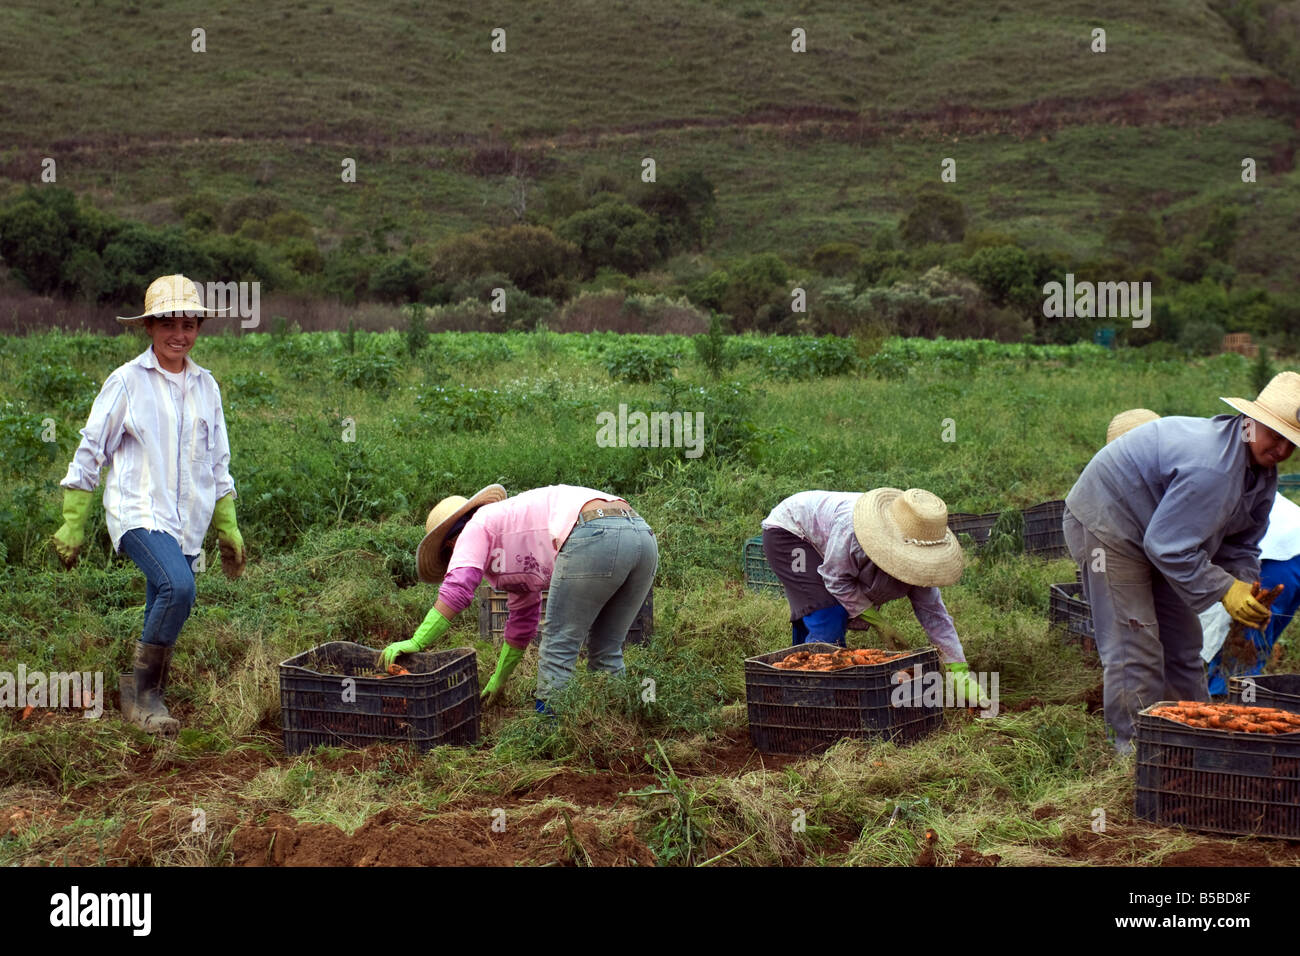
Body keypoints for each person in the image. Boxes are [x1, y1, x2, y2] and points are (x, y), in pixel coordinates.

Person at [1063, 375, 1300, 753]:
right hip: (1109, 525)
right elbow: (1167, 547)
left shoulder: (1261, 473)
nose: (1282, 448)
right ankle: (1135, 754)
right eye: (1276, 435)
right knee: (1136, 645)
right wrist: (1225, 589)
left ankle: (1194, 741)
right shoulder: (1213, 467)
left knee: (1184, 647)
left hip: (1161, 535)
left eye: (1292, 443)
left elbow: (1242, 544)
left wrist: (1246, 587)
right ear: (1251, 421)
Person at [52, 274, 246, 735]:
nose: (179, 334)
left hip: (187, 520)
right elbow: (91, 449)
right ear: (149, 327)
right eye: (168, 324)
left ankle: (143, 700)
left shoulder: (206, 387)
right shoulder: (126, 382)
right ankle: (141, 695)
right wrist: (73, 521)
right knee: (179, 588)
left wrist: (228, 524)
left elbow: (218, 462)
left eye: (190, 324)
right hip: (138, 511)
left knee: (162, 594)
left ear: (199, 328)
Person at [380, 484, 657, 712]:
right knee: (607, 647)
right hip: (641, 536)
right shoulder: (506, 534)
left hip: (593, 534)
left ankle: (548, 738)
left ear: (452, 544)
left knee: (558, 647)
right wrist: (498, 681)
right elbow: (523, 622)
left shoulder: (474, 527)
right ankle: (620, 729)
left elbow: (458, 590)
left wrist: (417, 641)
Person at [1106, 409, 1300, 697]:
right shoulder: (1203, 459)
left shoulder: (1196, 473)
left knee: (1236, 646)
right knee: (1252, 643)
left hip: (1271, 559)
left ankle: (1223, 716)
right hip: (1291, 551)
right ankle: (1232, 708)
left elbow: (1184, 555)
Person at [759, 487, 985, 705]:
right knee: (827, 611)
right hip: (791, 532)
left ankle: (798, 676)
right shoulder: (854, 531)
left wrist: (959, 672)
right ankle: (813, 699)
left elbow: (935, 615)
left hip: (825, 540)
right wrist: (880, 624)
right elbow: (836, 579)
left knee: (818, 608)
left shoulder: (919, 560)